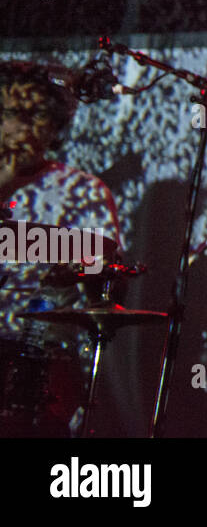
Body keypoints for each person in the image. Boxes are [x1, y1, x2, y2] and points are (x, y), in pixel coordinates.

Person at [0, 60, 123, 435]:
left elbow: (100, 259)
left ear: (53, 126)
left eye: (33, 115)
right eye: (11, 113)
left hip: (35, 356)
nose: (21, 126)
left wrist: (15, 240)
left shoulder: (81, 189)